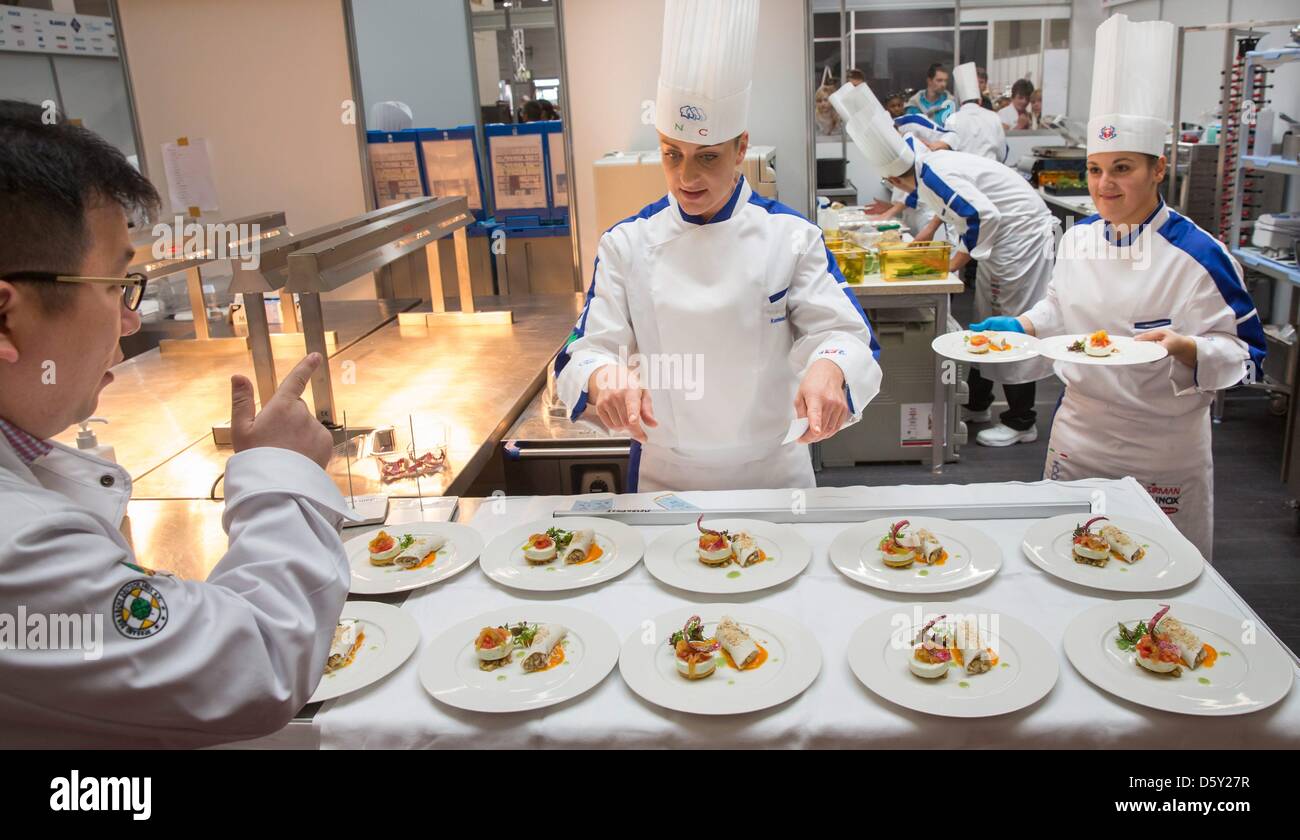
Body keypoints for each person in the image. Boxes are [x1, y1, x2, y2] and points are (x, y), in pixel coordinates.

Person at [0, 101, 358, 747]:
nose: (131, 320)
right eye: (116, 285)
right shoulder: (17, 551)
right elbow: (252, 665)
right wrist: (285, 472)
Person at [555, 0, 882, 492]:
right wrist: (604, 376)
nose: (687, 177)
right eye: (672, 154)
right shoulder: (625, 244)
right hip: (668, 478)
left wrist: (830, 366)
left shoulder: (790, 237)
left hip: (774, 473)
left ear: (740, 149)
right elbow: (585, 351)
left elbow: (847, 336)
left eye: (707, 157)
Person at [971, 15, 1266, 558]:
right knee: (1066, 561)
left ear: (1159, 169)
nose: (1105, 185)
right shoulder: (1078, 239)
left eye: (1123, 168)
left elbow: (1246, 355)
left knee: (1159, 575)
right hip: (1079, 436)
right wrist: (1023, 325)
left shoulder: (1200, 255)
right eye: (1095, 169)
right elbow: (1063, 310)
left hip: (1162, 450)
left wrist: (1187, 347)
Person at [832, 80, 1057, 448]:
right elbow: (948, 211)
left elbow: (982, 215)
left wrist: (953, 265)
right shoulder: (927, 170)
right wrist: (919, 246)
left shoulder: (934, 172)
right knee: (986, 319)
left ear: (894, 177)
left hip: (1021, 240)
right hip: (1003, 240)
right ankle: (979, 404)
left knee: (1013, 324)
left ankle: (1021, 420)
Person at [933, 62, 1007, 162]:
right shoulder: (994, 117)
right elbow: (1002, 153)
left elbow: (948, 151)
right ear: (980, 100)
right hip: (991, 172)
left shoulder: (952, 119)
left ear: (961, 102)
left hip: (962, 173)